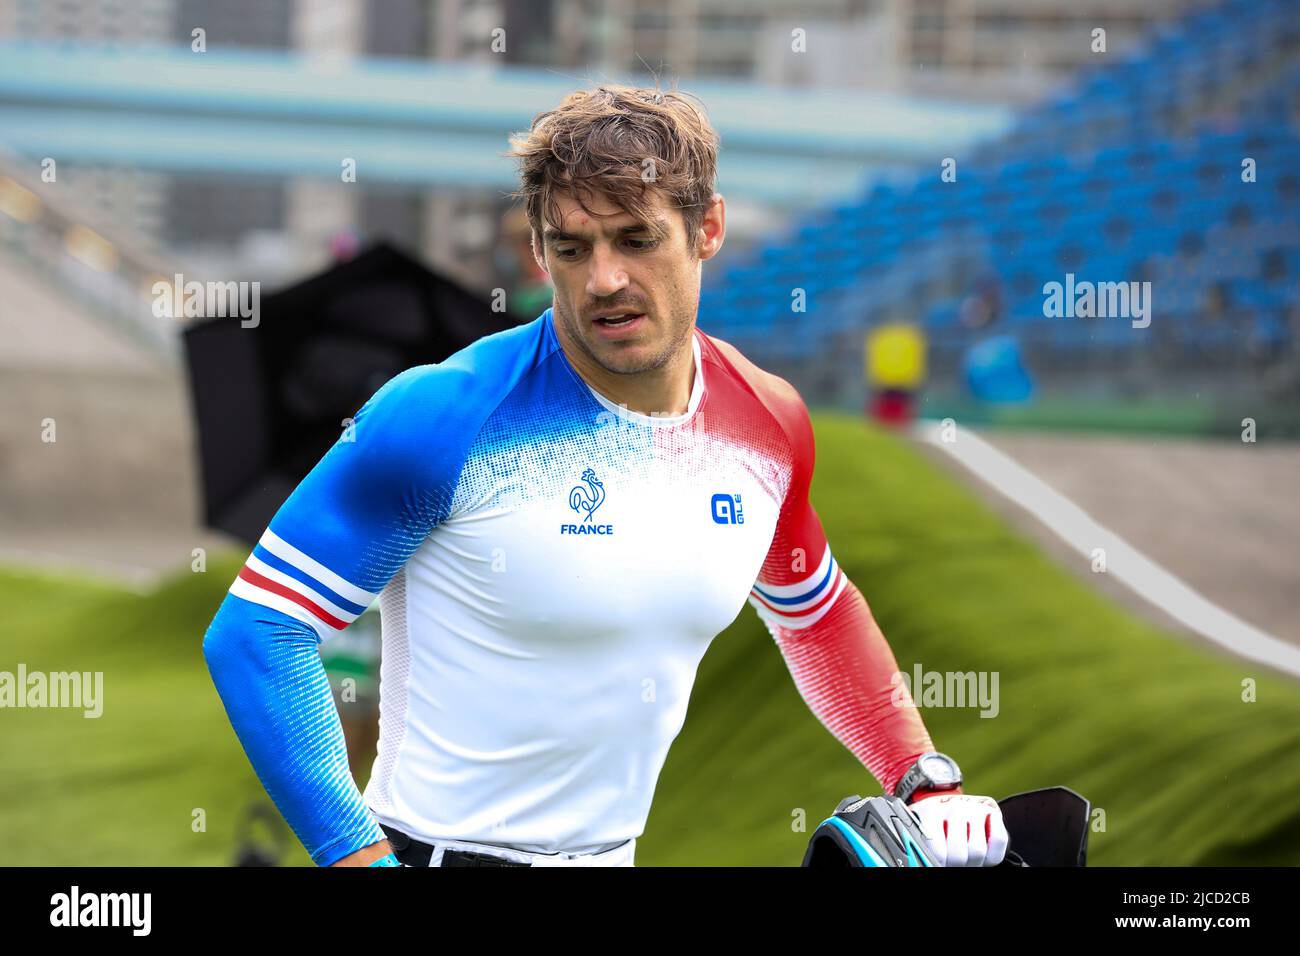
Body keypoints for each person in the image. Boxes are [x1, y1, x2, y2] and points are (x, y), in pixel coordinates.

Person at [201, 83, 1008, 868]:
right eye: (572, 247)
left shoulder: (768, 423)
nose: (604, 281)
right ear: (538, 249)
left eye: (636, 238)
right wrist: (356, 857)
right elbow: (258, 632)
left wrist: (924, 780)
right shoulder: (444, 414)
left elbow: (818, 614)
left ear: (708, 229)